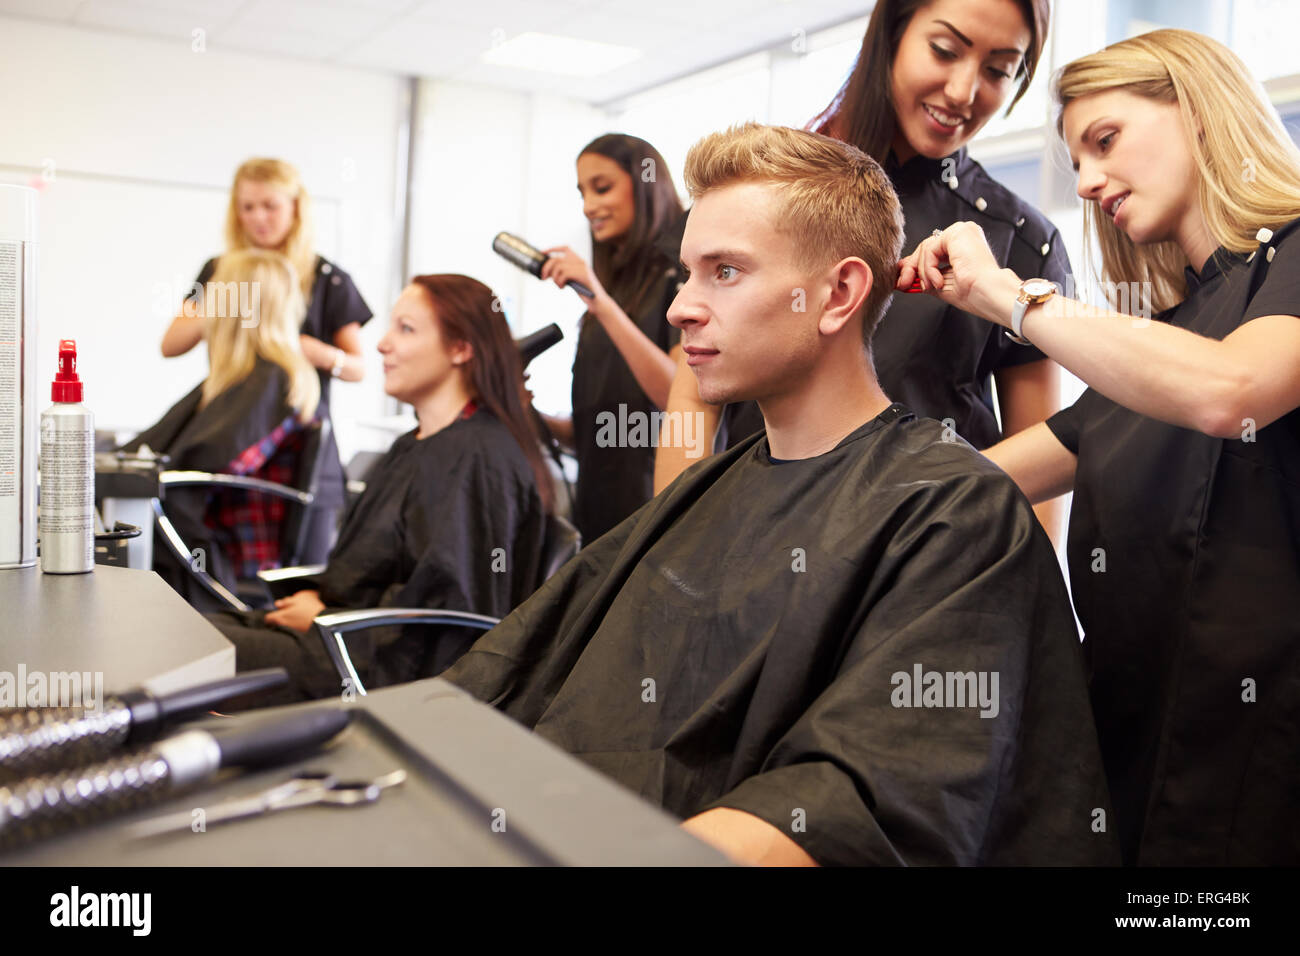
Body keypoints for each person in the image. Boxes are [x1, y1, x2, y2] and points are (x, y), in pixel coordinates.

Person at [442, 124, 1118, 867]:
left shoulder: (952, 515)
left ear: (838, 295)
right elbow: (508, 673)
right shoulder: (708, 490)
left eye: (725, 273)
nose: (681, 310)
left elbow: (855, 805)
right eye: (687, 276)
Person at [896, 29, 1300, 865]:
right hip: (1131, 770)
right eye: (1076, 158)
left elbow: (1233, 390)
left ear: (1194, 107)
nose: (1086, 182)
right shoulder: (1155, 346)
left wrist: (1008, 298)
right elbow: (983, 479)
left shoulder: (1289, 267)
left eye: (1104, 141)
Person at [653, 0, 1066, 541]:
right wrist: (674, 542)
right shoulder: (765, 194)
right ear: (891, 35)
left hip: (926, 558)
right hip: (754, 535)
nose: (964, 92)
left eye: (998, 70)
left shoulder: (1022, 240)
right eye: (945, 51)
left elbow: (1043, 458)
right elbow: (691, 390)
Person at [208, 274, 551, 705]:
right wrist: (322, 600)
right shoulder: (416, 444)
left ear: (461, 348)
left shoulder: (475, 457)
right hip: (345, 638)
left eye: (406, 329)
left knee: (194, 650)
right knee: (192, 629)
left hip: (381, 669)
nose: (382, 344)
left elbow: (449, 617)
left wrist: (327, 618)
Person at [160, 158, 371, 560]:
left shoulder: (327, 277)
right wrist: (233, 292)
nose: (258, 218)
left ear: (295, 207)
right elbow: (171, 344)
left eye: (270, 205)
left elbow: (359, 368)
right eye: (247, 206)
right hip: (234, 438)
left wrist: (314, 351)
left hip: (292, 444)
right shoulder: (220, 271)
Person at [125, 249, 320, 605]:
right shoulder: (236, 379)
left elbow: (198, 468)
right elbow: (159, 446)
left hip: (230, 558)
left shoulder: (271, 380)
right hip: (211, 540)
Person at [537, 134, 686, 543]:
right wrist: (535, 418)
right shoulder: (613, 291)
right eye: (582, 193)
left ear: (645, 183)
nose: (588, 207)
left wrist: (599, 302)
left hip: (653, 515)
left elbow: (679, 396)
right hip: (597, 517)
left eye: (602, 188)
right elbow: (596, 430)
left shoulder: (681, 275)